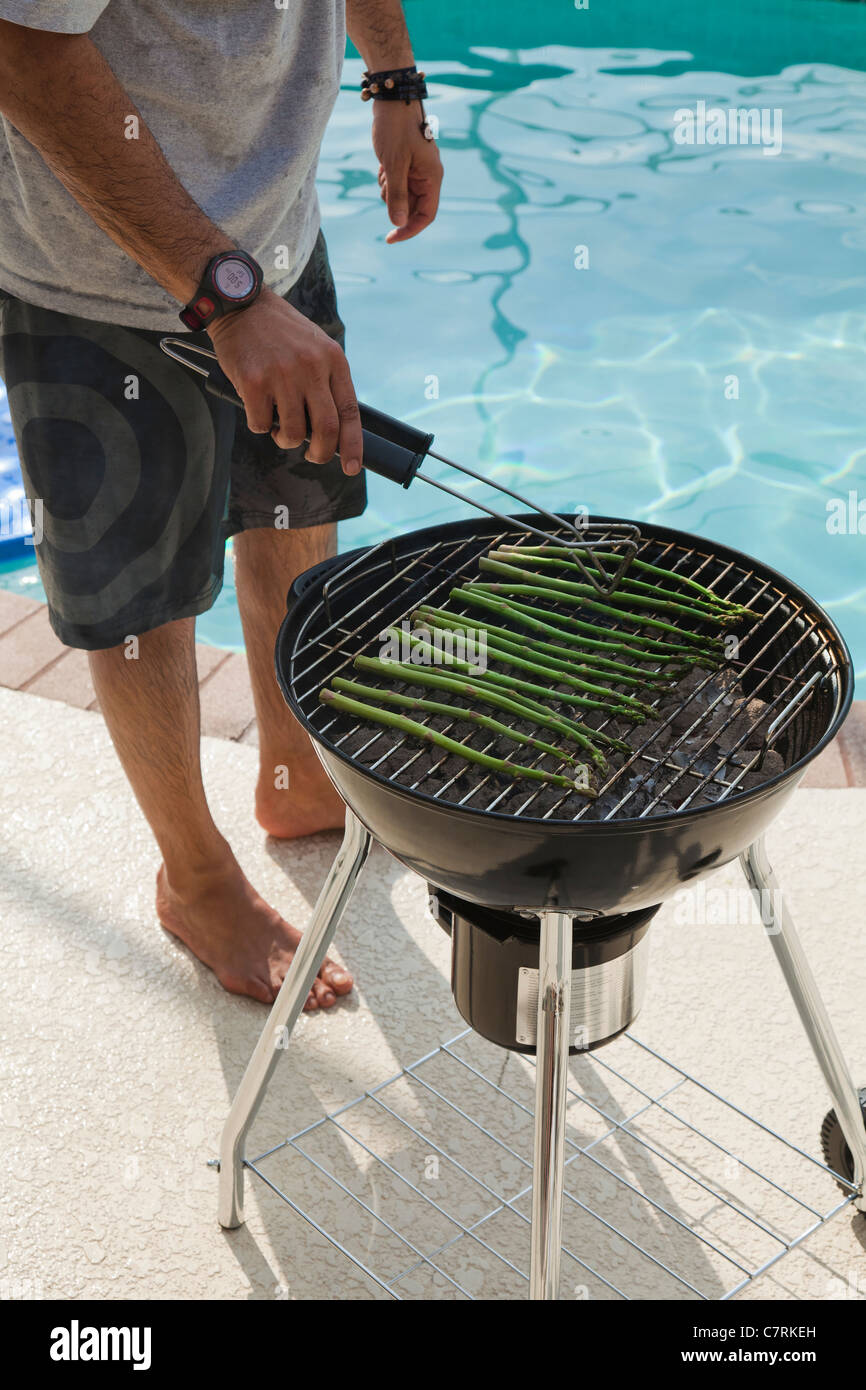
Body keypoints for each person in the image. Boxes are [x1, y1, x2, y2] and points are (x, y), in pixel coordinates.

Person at [0, 2, 443, 1008]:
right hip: (92, 274)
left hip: (269, 233)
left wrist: (394, 83)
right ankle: (194, 880)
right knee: (139, 601)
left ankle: (298, 774)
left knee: (293, 510)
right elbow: (22, 43)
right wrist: (229, 302)